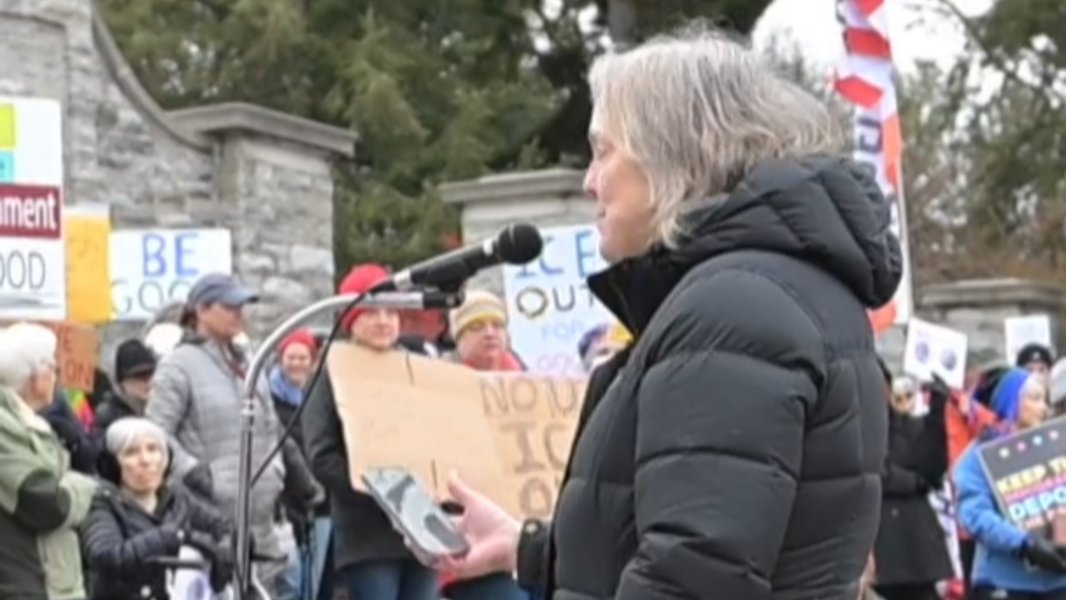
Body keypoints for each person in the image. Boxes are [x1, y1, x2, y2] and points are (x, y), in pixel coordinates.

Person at [435, 25, 902, 600]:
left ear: (673, 153)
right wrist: (524, 547)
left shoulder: (733, 309)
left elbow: (693, 574)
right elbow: (702, 537)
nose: (589, 181)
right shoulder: (768, 289)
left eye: (603, 150)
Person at [145, 272, 312, 596]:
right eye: (229, 305)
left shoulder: (251, 361)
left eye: (242, 305)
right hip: (210, 522)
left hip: (262, 518)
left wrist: (285, 474)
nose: (239, 313)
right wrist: (194, 472)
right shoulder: (177, 365)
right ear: (201, 310)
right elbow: (155, 432)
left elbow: (270, 424)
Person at [303, 263, 439, 600]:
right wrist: (380, 493)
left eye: (390, 311)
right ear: (351, 321)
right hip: (367, 534)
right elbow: (322, 456)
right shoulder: (330, 371)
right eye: (371, 312)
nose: (383, 320)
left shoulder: (416, 368)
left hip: (423, 526)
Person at [81, 417, 233, 600]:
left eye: (153, 449)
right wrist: (171, 536)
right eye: (131, 452)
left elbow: (224, 526)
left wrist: (223, 550)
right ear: (112, 464)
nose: (145, 460)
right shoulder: (101, 503)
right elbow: (106, 557)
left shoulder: (178, 496)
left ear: (166, 458)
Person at [0, 323, 98, 600]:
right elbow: (47, 504)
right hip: (22, 585)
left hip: (45, 583)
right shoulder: (5, 426)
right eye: (53, 366)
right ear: (36, 376)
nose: (57, 374)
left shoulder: (28, 422)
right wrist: (85, 487)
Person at [955, 367, 1066, 599]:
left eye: (1044, 399)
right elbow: (975, 516)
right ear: (1011, 401)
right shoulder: (979, 456)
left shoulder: (1057, 446)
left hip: (1058, 578)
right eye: (1035, 398)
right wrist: (1025, 545)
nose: (1043, 408)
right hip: (1005, 582)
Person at [873, 367, 953, 600]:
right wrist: (911, 481)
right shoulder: (849, 428)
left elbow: (932, 468)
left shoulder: (910, 426)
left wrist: (937, 410)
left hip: (916, 548)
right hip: (875, 545)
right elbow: (866, 470)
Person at [444, 290, 524, 371]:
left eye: (497, 325)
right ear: (459, 339)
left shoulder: (527, 375)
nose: (490, 333)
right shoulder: (442, 376)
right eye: (476, 327)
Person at [95, 339, 158, 434]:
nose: (148, 381)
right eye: (139, 376)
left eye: (151, 373)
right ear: (122, 382)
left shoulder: (158, 408)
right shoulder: (109, 417)